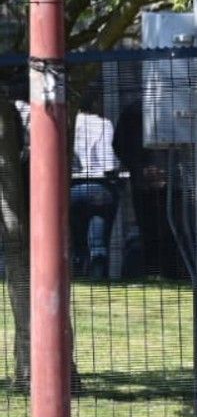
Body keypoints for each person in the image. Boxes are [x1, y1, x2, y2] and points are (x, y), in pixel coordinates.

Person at [69, 94, 120, 279]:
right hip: (99, 187)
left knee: (76, 238)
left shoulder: (68, 123)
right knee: (98, 242)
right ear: (95, 102)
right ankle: (97, 274)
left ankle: (76, 272)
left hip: (72, 187)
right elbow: (108, 163)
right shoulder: (103, 124)